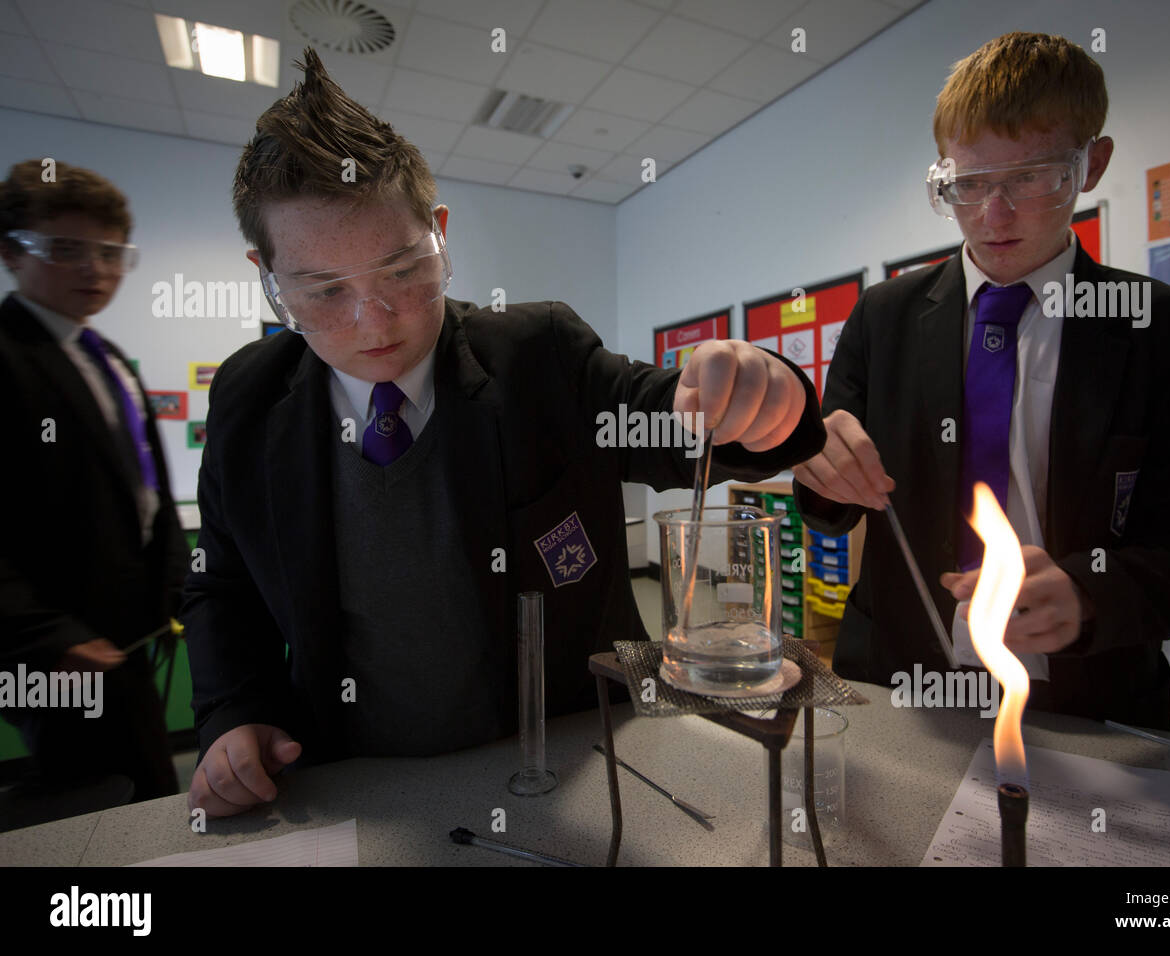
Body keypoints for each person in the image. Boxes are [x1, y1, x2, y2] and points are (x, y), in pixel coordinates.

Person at [182, 50, 826, 818]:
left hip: (575, 764)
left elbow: (682, 419)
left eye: (401, 270)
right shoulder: (250, 399)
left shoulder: (539, 356)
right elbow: (222, 585)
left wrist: (764, 391)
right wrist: (234, 710)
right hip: (356, 781)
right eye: (323, 292)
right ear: (268, 278)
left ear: (440, 234)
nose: (373, 319)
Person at [792, 32, 1170, 729]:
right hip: (898, 690)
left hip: (1087, 703)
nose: (991, 215)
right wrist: (816, 461)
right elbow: (828, 505)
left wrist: (1090, 592)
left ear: (1091, 164)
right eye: (967, 185)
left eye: (1032, 177)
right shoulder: (884, 317)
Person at [0, 159, 184, 802]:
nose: (95, 270)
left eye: (110, 253)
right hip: (61, 645)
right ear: (11, 254)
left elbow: (147, 490)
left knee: (151, 782)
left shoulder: (102, 356)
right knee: (96, 800)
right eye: (66, 249)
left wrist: (179, 585)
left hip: (132, 630)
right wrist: (43, 636)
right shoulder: (9, 356)